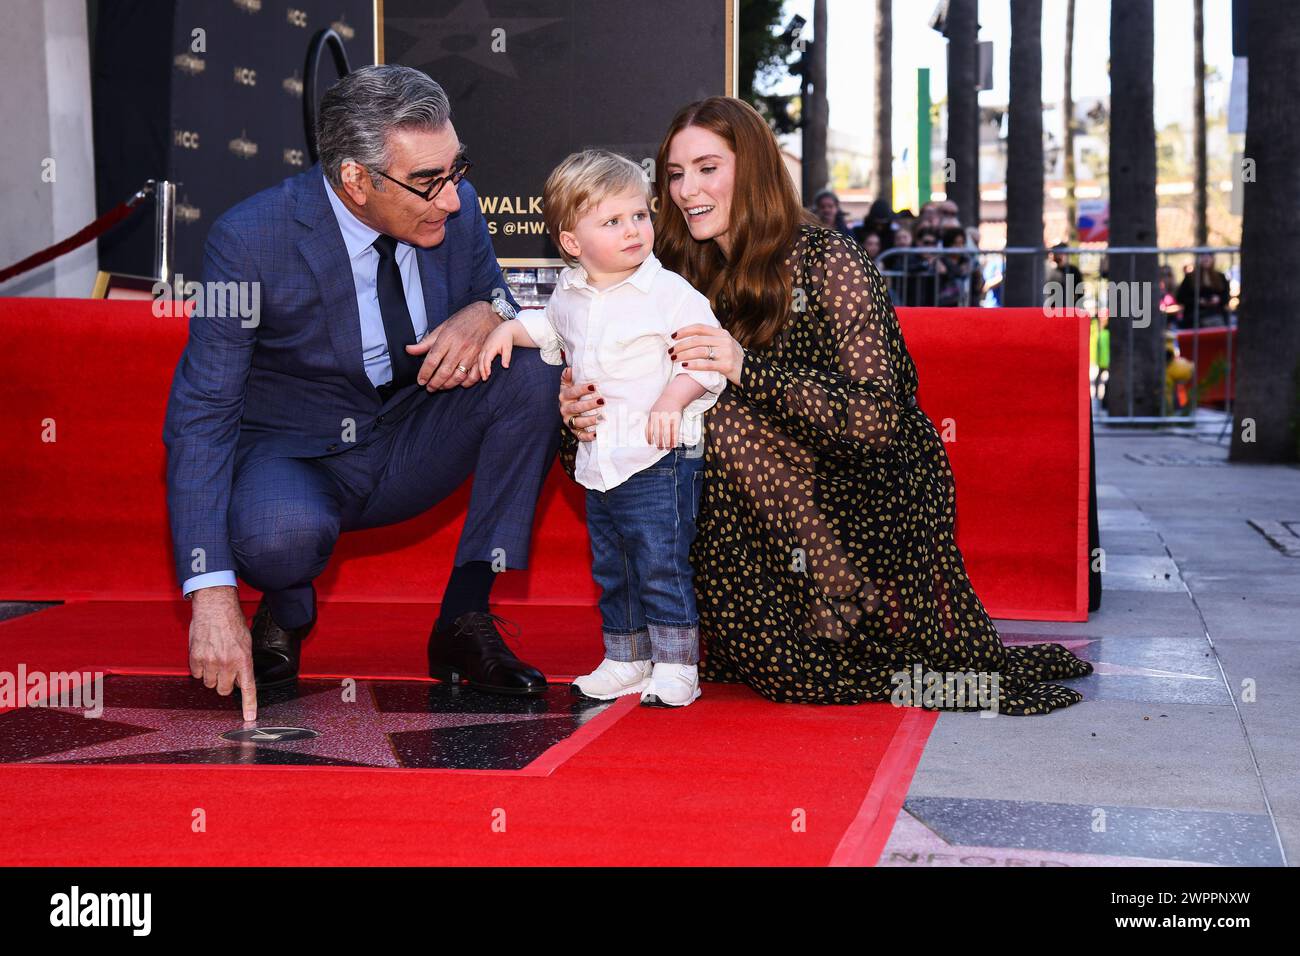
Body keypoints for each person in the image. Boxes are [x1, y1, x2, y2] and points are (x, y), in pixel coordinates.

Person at [557, 97, 1092, 714]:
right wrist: (577, 414)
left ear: (754, 168)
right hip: (755, 498)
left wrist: (742, 367)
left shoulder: (827, 260)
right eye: (674, 174)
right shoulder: (667, 275)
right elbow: (620, 420)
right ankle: (727, 625)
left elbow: (879, 422)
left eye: (707, 168)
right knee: (699, 423)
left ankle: (841, 615)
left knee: (717, 417)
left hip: (862, 488)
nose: (686, 190)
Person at [164, 65, 561, 720]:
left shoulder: (454, 211)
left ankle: (464, 619)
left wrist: (491, 314)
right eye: (429, 182)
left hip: (414, 435)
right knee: (276, 539)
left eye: (456, 169)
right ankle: (287, 607)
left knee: (534, 369)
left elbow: (499, 297)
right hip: (298, 460)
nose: (453, 199)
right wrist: (210, 592)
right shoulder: (249, 240)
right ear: (355, 179)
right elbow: (202, 415)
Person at [478, 150, 726, 707]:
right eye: (612, 222)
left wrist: (674, 395)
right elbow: (548, 327)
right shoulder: (570, 294)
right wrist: (505, 332)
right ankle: (626, 658)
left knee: (660, 561)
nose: (634, 230)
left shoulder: (670, 293)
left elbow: (705, 356)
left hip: (659, 456)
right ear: (572, 243)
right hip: (600, 462)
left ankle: (677, 664)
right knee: (614, 567)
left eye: (639, 215)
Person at [1175, 253, 1230, 327]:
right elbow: (1180, 298)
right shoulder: (1190, 278)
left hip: (1217, 314)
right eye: (1203, 255)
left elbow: (1226, 297)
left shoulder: (1221, 277)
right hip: (1194, 316)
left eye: (1209, 256)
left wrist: (1218, 299)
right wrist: (1197, 301)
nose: (1206, 258)